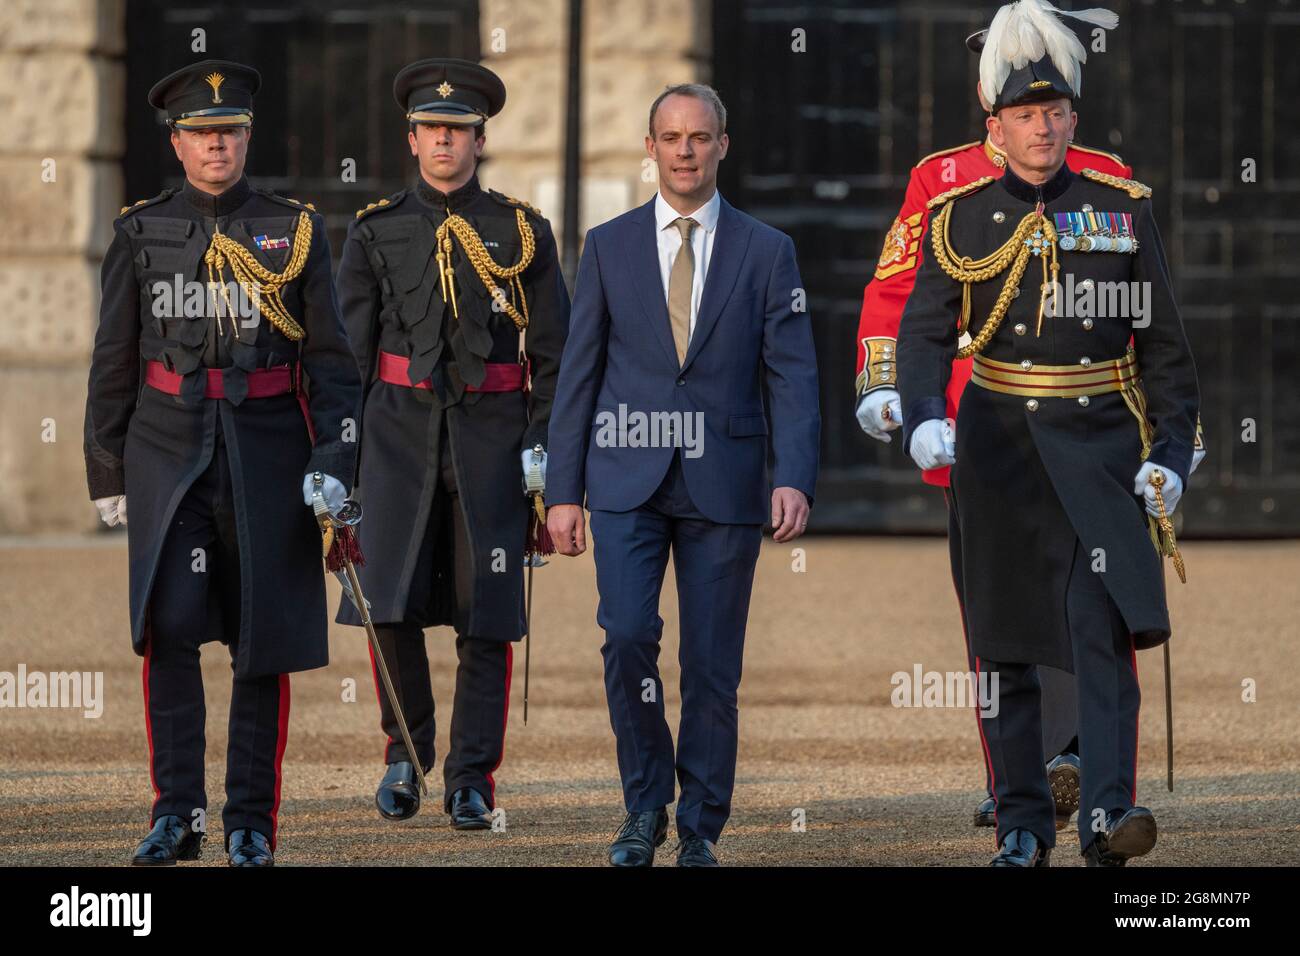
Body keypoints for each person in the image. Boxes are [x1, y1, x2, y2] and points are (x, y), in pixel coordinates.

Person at [897, 1, 1198, 867]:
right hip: (998, 453)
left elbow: (1168, 353)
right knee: (1003, 646)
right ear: (997, 124)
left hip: (1101, 451)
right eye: (1026, 115)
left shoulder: (1122, 210)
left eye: (1056, 112)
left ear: (1074, 116)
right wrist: (921, 416)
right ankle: (1024, 820)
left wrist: (1173, 458)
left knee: (1099, 635)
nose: (1043, 128)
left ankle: (1108, 816)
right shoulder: (955, 217)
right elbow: (923, 331)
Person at [853, 27, 1143, 833]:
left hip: (1091, 426)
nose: (1037, 117)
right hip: (980, 421)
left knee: (1096, 603)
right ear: (992, 101)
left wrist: (1164, 421)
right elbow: (894, 295)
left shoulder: (1109, 181)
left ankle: (1083, 763)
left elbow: (1141, 312)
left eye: (1051, 100)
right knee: (1001, 612)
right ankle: (1017, 776)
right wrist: (891, 392)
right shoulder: (940, 181)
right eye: (1020, 96)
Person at [84, 59, 361, 866]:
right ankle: (176, 815)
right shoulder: (140, 230)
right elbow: (114, 357)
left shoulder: (295, 229)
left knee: (260, 639)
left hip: (268, 450)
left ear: (246, 138)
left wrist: (336, 458)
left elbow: (333, 365)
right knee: (167, 632)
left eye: (230, 133)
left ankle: (249, 823)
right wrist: (106, 468)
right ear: (177, 142)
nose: (217, 147)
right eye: (202, 135)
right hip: (166, 449)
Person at [546, 83, 820, 866]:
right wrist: (564, 491)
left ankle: (699, 824)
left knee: (710, 666)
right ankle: (644, 806)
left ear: (723, 145)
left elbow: (794, 376)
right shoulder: (608, 245)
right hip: (626, 474)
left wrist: (793, 474)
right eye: (672, 137)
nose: (687, 150)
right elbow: (579, 375)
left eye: (700, 137)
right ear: (651, 146)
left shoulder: (769, 251)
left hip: (726, 483)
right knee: (627, 637)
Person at [335, 58, 569, 830]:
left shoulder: (521, 229)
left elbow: (554, 353)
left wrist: (544, 443)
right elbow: (347, 359)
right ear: (412, 139)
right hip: (395, 436)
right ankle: (404, 753)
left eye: (459, 130)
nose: (445, 141)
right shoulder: (373, 230)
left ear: (478, 139)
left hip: (492, 440)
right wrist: (341, 459)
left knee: (486, 613)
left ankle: (473, 777)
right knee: (389, 602)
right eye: (432, 129)